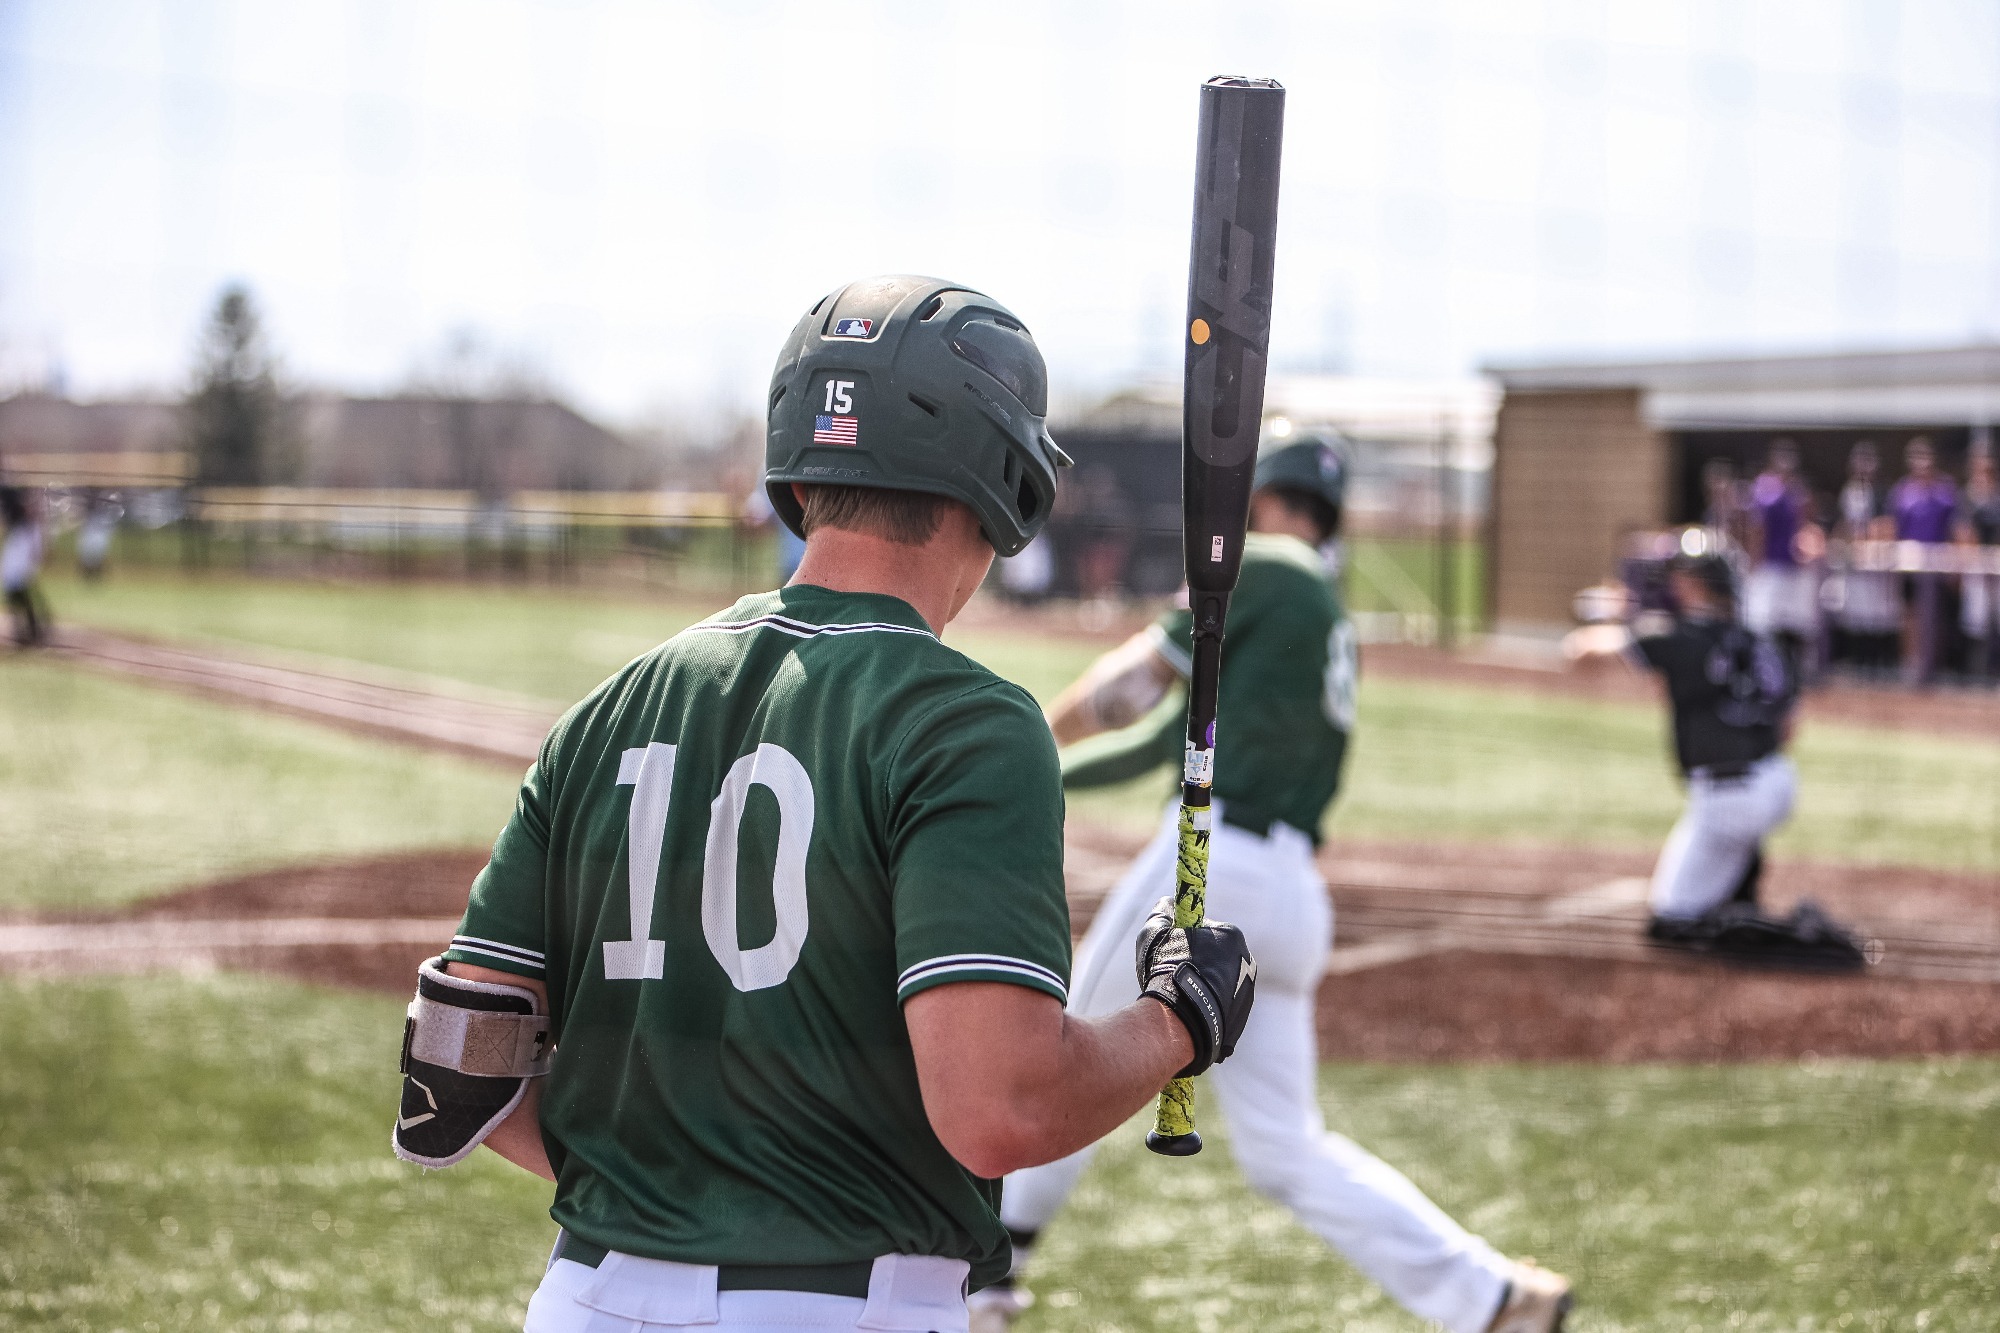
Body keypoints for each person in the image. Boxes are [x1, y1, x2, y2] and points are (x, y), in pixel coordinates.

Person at [391, 275, 1259, 1333]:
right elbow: (1000, 1107)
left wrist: (668, 1190)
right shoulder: (964, 722)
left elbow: (456, 1065)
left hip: (583, 1300)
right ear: (1005, 478)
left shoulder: (607, 709)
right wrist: (1179, 1019)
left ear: (796, 469)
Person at [976, 437, 1573, 1333]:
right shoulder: (1325, 605)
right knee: (1288, 1151)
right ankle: (1493, 1296)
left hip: (1216, 867)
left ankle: (984, 1281)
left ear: (1262, 496)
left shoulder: (1260, 568)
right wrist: (1050, 775)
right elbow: (1158, 744)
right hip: (1290, 891)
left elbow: (1134, 687)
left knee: (1067, 1057)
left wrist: (1028, 746)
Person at [1579, 544, 1862, 967]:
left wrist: (1613, 616)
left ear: (1693, 585)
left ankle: (1801, 932)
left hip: (1730, 795)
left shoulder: (1682, 637)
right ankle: (1739, 884)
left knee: (1673, 921)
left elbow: (1580, 648)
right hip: (1775, 777)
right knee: (1715, 837)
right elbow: (1788, 728)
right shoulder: (1762, 640)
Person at [1741, 440, 1821, 674]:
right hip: (1770, 564)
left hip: (1789, 564)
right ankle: (1761, 665)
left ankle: (1794, 667)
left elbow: (1803, 524)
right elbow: (1758, 530)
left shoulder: (1795, 492)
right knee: (1761, 620)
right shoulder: (1766, 489)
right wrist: (1755, 560)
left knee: (1795, 621)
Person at [1889, 436, 1958, 684]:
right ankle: (1911, 663)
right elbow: (1895, 529)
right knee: (1911, 614)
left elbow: (1953, 530)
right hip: (1910, 562)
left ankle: (1932, 666)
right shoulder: (1903, 492)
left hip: (1937, 562)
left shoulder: (1944, 492)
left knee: (1935, 616)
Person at [1828, 442, 1899, 676]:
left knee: (1879, 612)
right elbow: (1843, 526)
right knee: (1856, 610)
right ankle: (1858, 660)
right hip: (1855, 560)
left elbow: (1887, 525)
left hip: (1877, 559)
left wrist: (1868, 535)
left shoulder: (1881, 492)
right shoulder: (1848, 491)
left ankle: (1878, 662)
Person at [1959, 442, 2000, 682]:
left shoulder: (1997, 498)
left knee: (1996, 618)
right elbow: (1963, 530)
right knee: (1976, 620)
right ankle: (1976, 672)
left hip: (1996, 564)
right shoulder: (1968, 497)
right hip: (1975, 563)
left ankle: (1994, 670)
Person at [2, 485, 51, 647]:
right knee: (22, 604)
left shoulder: (31, 529)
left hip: (18, 572)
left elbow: (38, 552)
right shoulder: (22, 527)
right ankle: (28, 633)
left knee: (25, 604)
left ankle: (30, 633)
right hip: (14, 573)